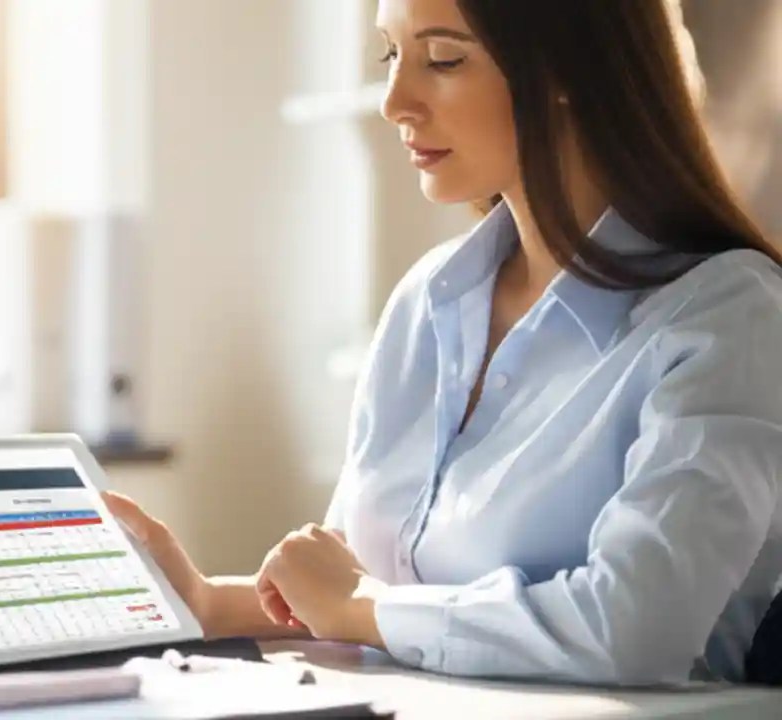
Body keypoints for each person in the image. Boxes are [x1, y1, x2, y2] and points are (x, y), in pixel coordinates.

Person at [104, 0, 782, 686]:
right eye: (390, 56)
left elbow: (632, 628)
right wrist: (205, 601)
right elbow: (363, 589)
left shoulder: (728, 314)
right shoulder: (430, 300)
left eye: (444, 59)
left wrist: (362, 605)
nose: (395, 101)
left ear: (567, 70)